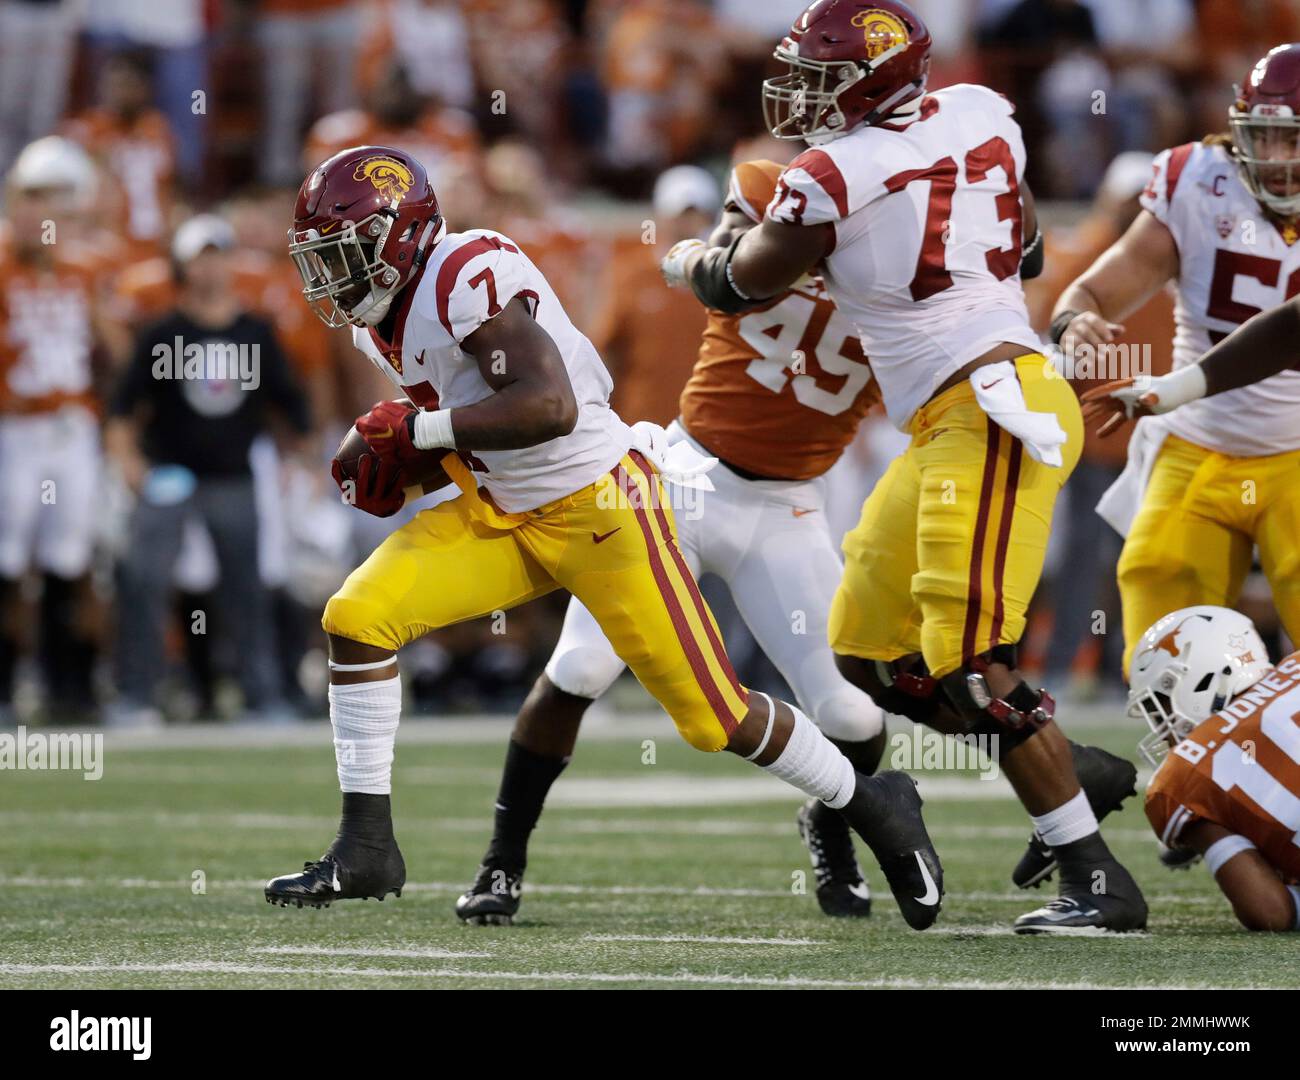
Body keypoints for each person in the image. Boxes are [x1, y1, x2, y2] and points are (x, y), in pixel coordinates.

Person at [263, 145, 944, 930]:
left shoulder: (464, 275)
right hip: (506, 511)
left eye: (343, 255)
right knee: (356, 618)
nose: (329, 278)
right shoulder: (379, 320)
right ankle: (366, 844)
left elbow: (546, 406)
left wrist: (416, 428)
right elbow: (473, 433)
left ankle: (875, 805)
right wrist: (410, 469)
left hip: (603, 510)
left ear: (397, 237)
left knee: (712, 718)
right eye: (321, 259)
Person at [660, 0, 1145, 934]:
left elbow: (738, 280)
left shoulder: (830, 172)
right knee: (869, 656)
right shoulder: (978, 112)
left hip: (995, 405)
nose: (799, 92)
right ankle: (1070, 765)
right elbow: (1030, 246)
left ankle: (1096, 877)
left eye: (820, 76)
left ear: (871, 83)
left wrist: (685, 256)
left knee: (971, 663)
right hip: (949, 417)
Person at [456, 159, 885, 926]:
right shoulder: (777, 199)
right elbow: (710, 250)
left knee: (851, 714)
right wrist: (707, 254)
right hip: (680, 481)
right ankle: (501, 861)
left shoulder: (905, 289)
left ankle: (830, 827)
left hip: (786, 507)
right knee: (581, 665)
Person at [1050, 43, 1300, 682]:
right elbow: (1099, 288)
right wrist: (1074, 317)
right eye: (1264, 138)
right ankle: (1192, 774)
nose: (1276, 160)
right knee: (1165, 653)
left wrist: (1173, 386)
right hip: (1198, 442)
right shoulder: (1196, 178)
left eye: (1292, 140)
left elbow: (1288, 331)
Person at [105, 215, 311, 726]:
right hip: (170, 474)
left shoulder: (256, 332)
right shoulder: (162, 333)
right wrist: (130, 463)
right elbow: (122, 409)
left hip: (234, 475)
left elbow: (292, 406)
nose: (211, 267)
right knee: (144, 578)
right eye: (201, 256)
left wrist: (296, 465)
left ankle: (261, 695)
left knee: (247, 588)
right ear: (182, 265)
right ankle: (138, 694)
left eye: (219, 254)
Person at [0, 137, 107, 726]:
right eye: (33, 204)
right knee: (7, 558)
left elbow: (113, 352)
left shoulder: (84, 271)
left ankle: (72, 684)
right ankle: (11, 683)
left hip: (72, 428)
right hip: (16, 430)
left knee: (69, 558)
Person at [1130, 605, 1300, 932]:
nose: (1161, 728)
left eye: (1159, 705)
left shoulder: (1183, 777)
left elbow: (1269, 912)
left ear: (1199, 678)